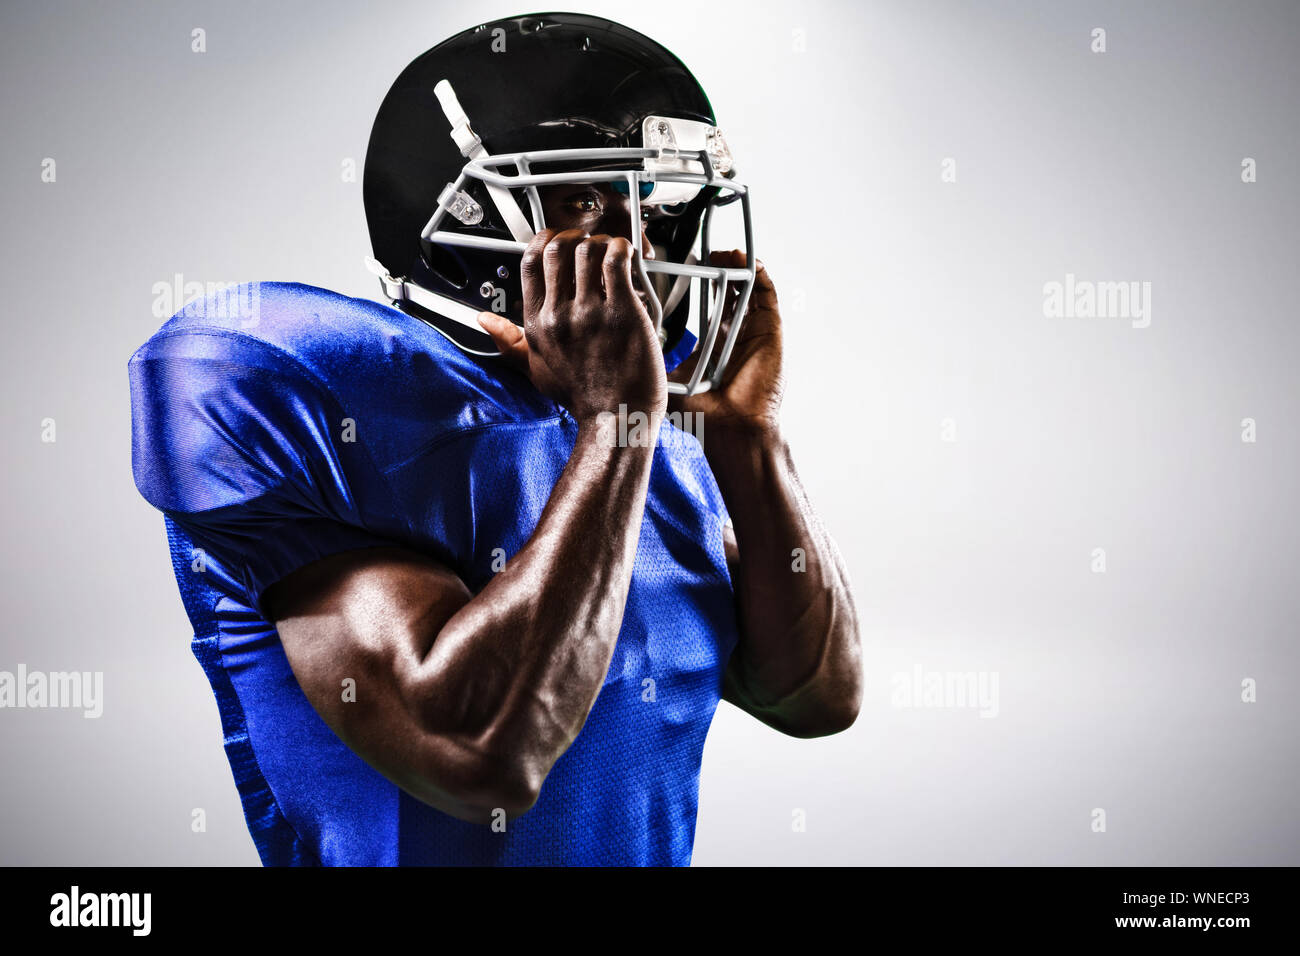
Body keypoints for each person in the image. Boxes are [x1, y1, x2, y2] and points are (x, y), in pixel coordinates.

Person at [129, 12, 861, 866]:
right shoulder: (302, 384)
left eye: (657, 208)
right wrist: (615, 427)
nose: (648, 246)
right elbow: (481, 753)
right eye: (592, 198)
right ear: (465, 218)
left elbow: (811, 693)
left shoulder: (636, 430)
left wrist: (748, 441)